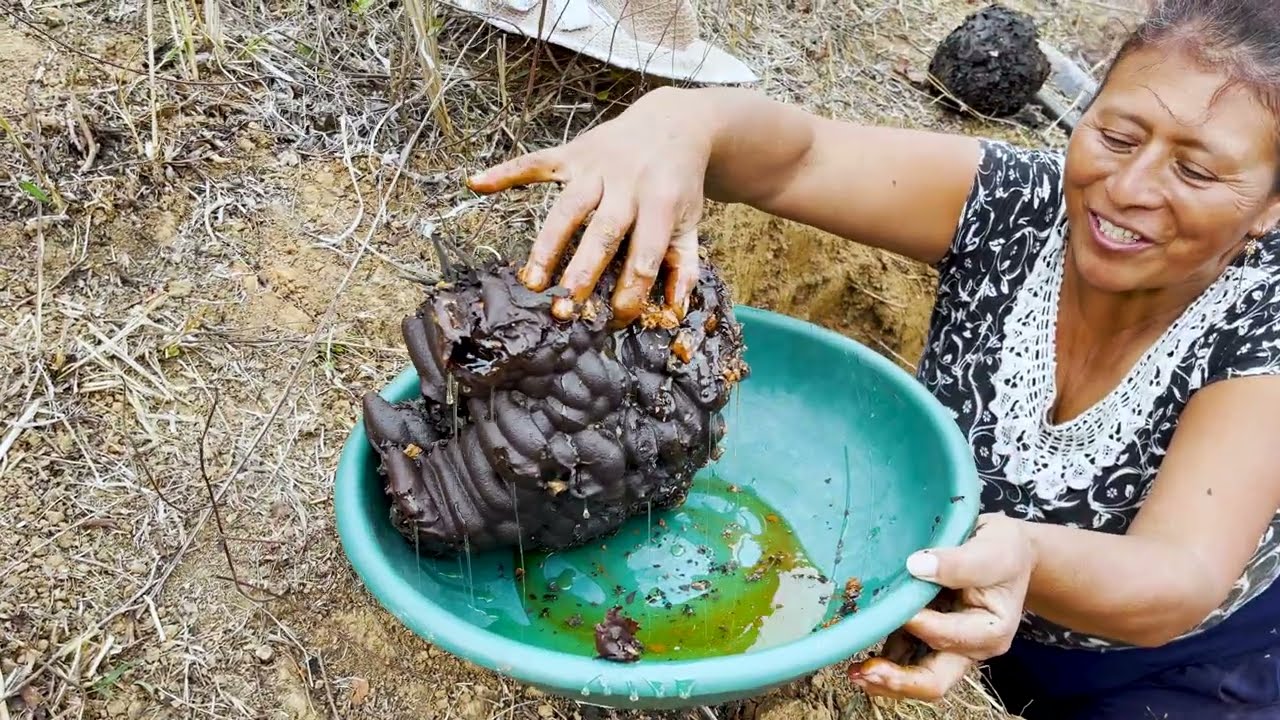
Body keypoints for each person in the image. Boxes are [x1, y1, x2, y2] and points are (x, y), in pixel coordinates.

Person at [464, 0, 1280, 717]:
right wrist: (680, 121)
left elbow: (1178, 573)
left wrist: (1027, 550)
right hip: (941, 588)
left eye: (1197, 170)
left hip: (1165, 672)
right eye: (1116, 133)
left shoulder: (1263, 320)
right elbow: (800, 158)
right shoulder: (1018, 207)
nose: (1128, 187)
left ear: (1272, 205)